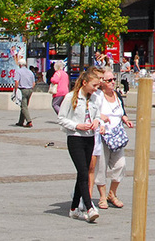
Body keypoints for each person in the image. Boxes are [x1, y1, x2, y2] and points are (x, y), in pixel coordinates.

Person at [58, 66, 105, 222]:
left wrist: (97, 121)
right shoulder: (71, 97)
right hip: (76, 137)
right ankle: (89, 207)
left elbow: (97, 114)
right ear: (84, 83)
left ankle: (73, 208)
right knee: (83, 171)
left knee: (83, 173)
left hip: (89, 137)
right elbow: (62, 118)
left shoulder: (95, 98)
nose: (96, 89)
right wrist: (76, 125)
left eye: (98, 86)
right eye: (94, 86)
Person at [92, 67, 133, 210]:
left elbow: (122, 110)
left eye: (114, 79)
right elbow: (91, 110)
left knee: (120, 165)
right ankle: (102, 197)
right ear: (102, 82)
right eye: (109, 80)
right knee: (101, 167)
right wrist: (101, 118)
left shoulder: (117, 94)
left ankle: (112, 193)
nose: (112, 82)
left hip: (116, 136)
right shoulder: (97, 96)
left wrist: (125, 118)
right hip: (102, 136)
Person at [15, 57, 36, 127]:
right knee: (24, 105)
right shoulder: (30, 72)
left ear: (20, 65)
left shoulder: (19, 71)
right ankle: (21, 121)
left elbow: (16, 82)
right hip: (30, 90)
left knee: (24, 106)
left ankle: (29, 121)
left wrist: (15, 90)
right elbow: (34, 83)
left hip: (23, 90)